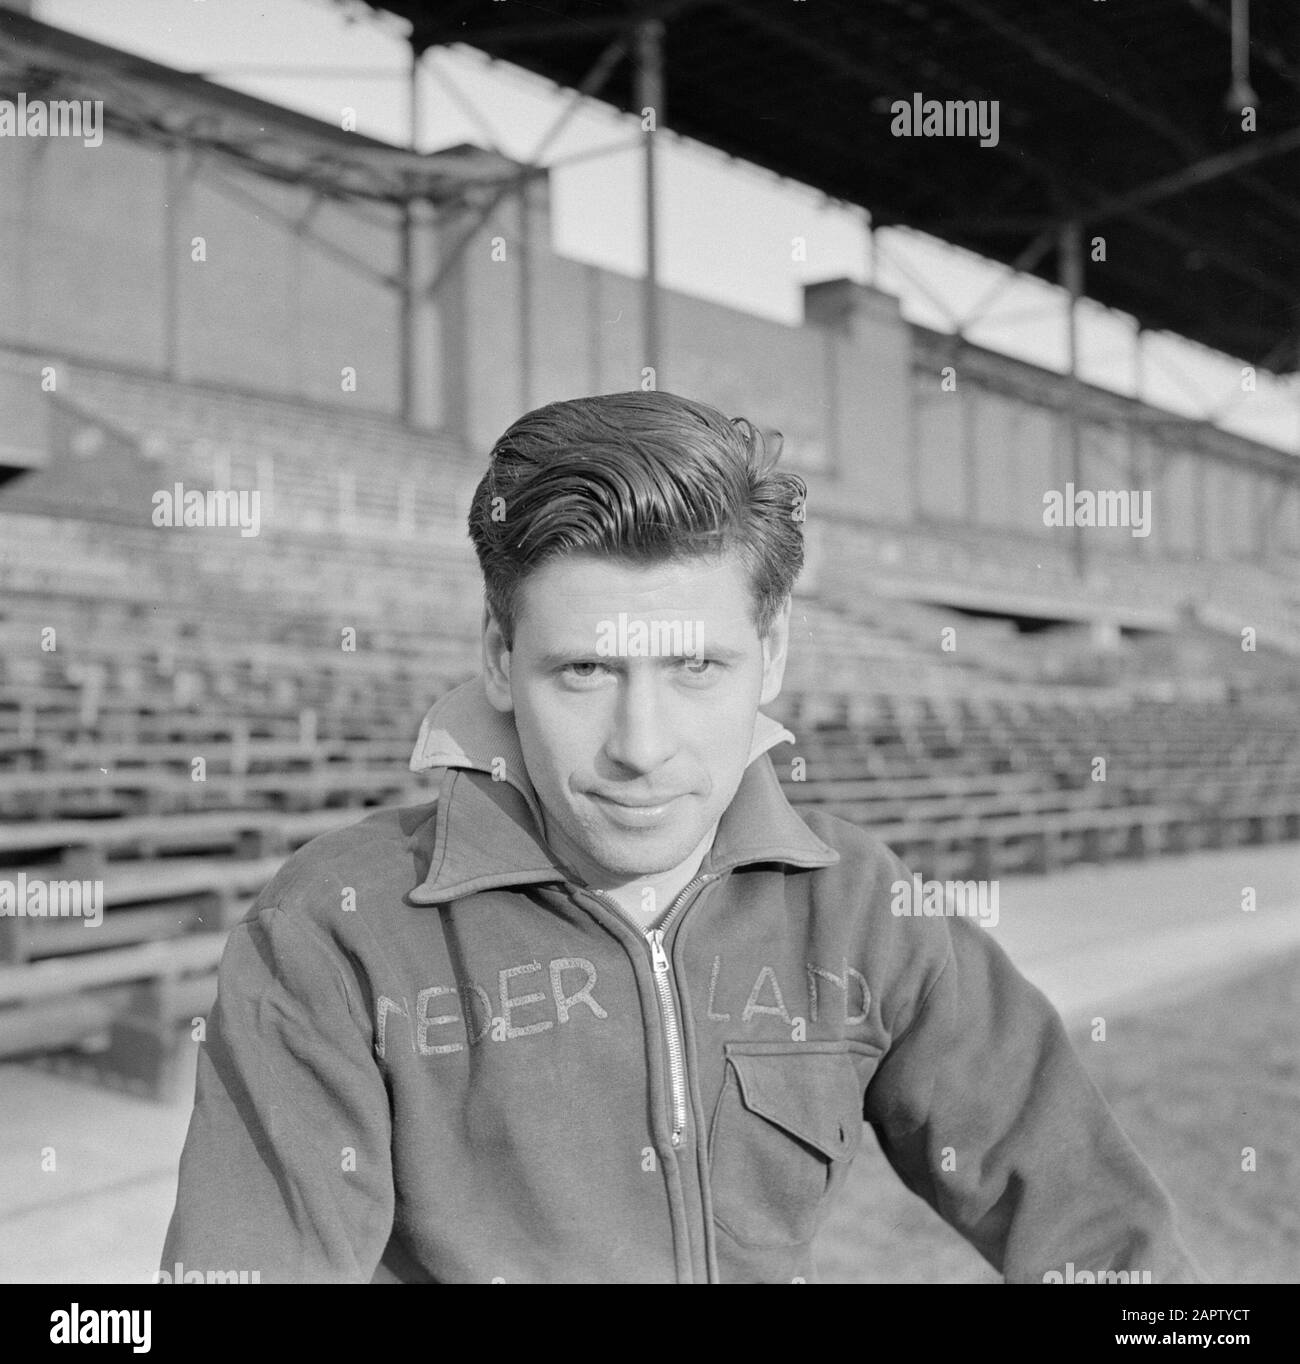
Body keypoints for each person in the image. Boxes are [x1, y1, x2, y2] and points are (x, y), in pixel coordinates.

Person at [161, 390, 1200, 1284]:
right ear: (496, 656)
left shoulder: (861, 906)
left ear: (772, 651)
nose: (640, 749)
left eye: (695, 669)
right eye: (584, 671)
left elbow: (1098, 1230)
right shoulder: (330, 928)